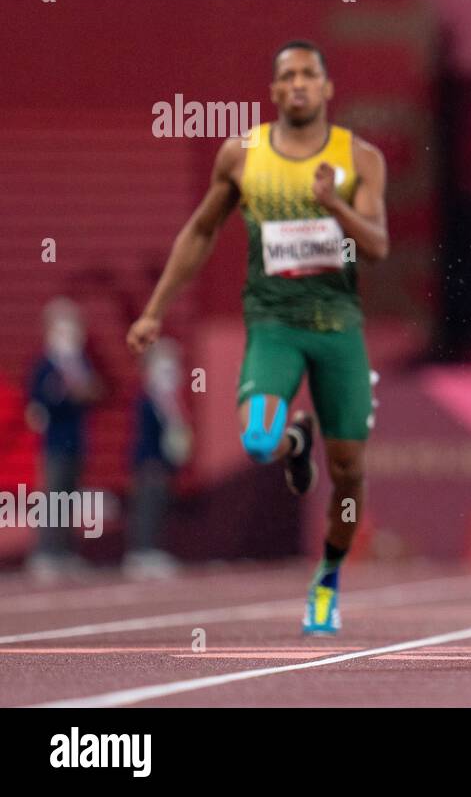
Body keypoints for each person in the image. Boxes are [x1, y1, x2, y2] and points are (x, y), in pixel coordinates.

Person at [127, 41, 389, 633]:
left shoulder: (359, 158)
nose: (298, 84)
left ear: (327, 88)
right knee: (257, 440)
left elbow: (375, 246)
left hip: (338, 331)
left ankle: (327, 579)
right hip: (274, 326)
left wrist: (333, 205)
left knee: (348, 473)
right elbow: (200, 231)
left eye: (308, 74)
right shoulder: (242, 155)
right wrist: (153, 311)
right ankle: (296, 441)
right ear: (273, 91)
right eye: (287, 76)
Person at [26, 297, 102, 582]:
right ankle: (46, 553)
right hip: (54, 442)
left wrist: (85, 391)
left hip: (76, 440)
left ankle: (65, 550)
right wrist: (65, 394)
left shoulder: (80, 363)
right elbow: (39, 399)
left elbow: (95, 392)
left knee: (70, 498)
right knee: (53, 498)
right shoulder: (45, 364)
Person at [123, 338, 189, 580]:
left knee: (159, 506)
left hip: (163, 461)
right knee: (146, 508)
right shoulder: (147, 400)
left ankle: (152, 548)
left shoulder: (170, 402)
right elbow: (145, 433)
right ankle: (142, 551)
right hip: (149, 462)